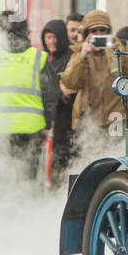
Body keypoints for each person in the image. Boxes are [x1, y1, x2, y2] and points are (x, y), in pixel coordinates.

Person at [0, 12, 48, 179]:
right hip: (30, 128)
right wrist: (48, 123)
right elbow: (50, 95)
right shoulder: (38, 57)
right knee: (27, 178)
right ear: (27, 33)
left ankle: (0, 204)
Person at [59, 9, 128, 133]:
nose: (99, 34)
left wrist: (120, 53)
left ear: (109, 31)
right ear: (87, 33)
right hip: (92, 121)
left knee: (119, 152)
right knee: (93, 151)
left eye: (102, 30)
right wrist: (82, 56)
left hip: (121, 116)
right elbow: (70, 82)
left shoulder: (121, 48)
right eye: (94, 31)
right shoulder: (79, 54)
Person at [40, 19, 75, 184]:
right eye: (48, 37)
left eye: (54, 37)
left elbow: (69, 89)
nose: (51, 41)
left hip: (64, 119)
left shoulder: (70, 57)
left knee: (60, 163)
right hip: (46, 118)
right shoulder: (43, 59)